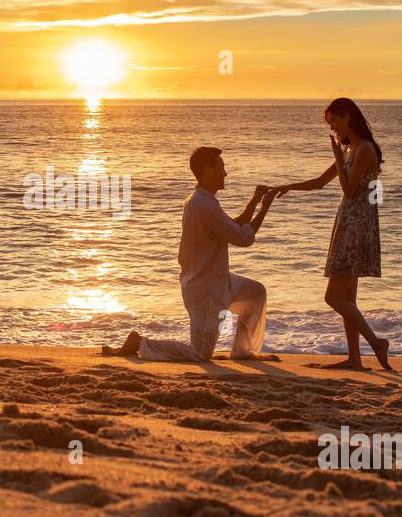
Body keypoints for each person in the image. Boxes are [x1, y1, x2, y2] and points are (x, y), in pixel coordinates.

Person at [105, 147, 278, 361]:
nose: (225, 173)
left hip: (220, 281)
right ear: (207, 170)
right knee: (200, 353)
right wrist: (265, 208)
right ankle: (140, 343)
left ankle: (242, 351)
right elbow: (242, 239)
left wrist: (254, 200)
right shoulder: (204, 205)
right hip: (205, 291)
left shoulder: (202, 200)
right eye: (221, 168)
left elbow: (231, 226)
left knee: (255, 294)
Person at [276, 98, 391, 370]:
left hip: (357, 225)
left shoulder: (363, 149)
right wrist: (286, 187)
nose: (333, 128)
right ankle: (354, 358)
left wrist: (339, 159)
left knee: (333, 297)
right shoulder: (350, 150)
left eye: (335, 122)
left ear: (348, 118)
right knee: (347, 298)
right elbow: (319, 182)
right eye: (330, 124)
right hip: (348, 221)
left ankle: (376, 343)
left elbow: (349, 190)